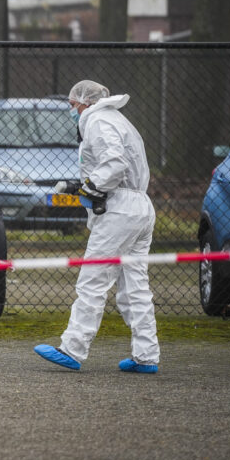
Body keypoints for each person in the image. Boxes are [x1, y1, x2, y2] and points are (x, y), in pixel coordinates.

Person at [34, 80, 160, 373]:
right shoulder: (117, 119)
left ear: (84, 102)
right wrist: (87, 184)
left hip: (119, 211)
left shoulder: (97, 120)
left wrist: (91, 187)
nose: (71, 110)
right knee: (135, 287)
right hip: (139, 206)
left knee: (93, 279)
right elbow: (118, 165)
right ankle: (146, 355)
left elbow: (114, 164)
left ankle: (73, 348)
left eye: (71, 104)